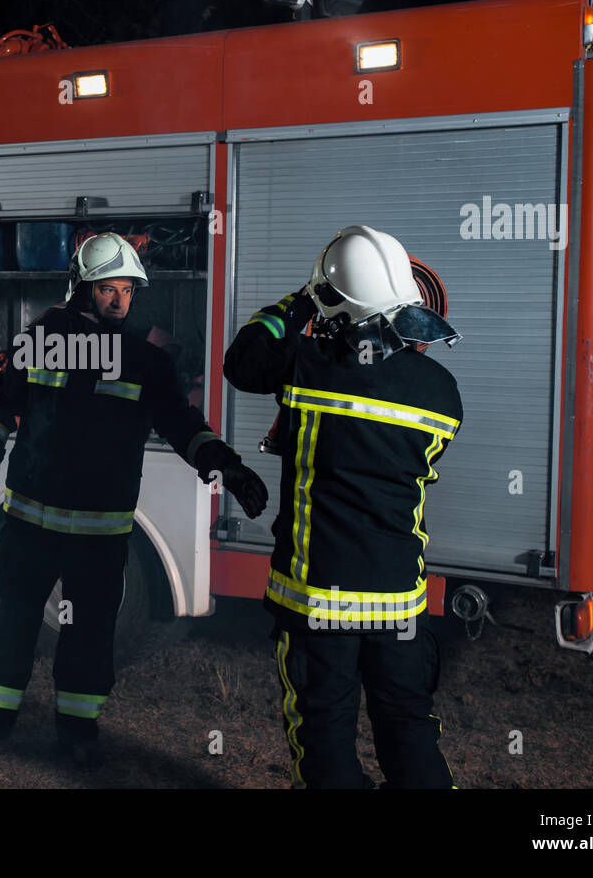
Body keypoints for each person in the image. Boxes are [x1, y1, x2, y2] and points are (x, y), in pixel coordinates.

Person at [0, 232, 268, 766]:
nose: (120, 301)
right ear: (82, 289)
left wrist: (226, 466)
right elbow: (0, 409)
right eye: (108, 290)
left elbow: (182, 423)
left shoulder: (147, 363)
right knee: (11, 619)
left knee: (90, 633)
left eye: (127, 290)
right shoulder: (41, 340)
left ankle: (77, 732)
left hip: (100, 531)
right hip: (29, 519)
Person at [223, 225, 463, 789]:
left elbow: (244, 361)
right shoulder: (442, 392)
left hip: (317, 603)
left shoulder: (308, 366)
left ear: (337, 299)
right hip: (400, 604)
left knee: (324, 735)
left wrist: (301, 299)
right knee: (408, 728)